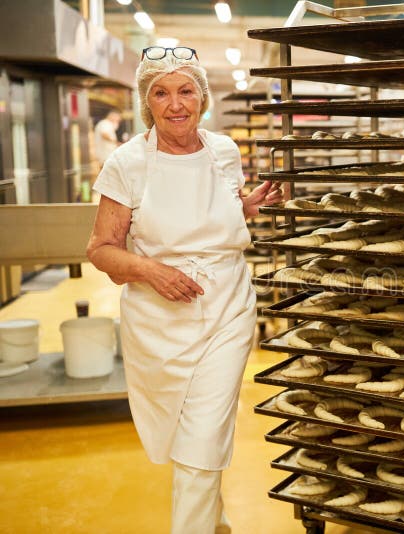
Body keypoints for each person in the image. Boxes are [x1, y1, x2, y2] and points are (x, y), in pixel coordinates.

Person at [86, 45, 283, 534]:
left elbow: (219, 215)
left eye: (186, 90)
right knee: (185, 434)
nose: (176, 104)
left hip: (226, 310)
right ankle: (216, 525)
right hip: (158, 323)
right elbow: (101, 249)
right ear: (145, 102)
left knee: (202, 437)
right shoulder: (126, 163)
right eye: (161, 93)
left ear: (203, 97)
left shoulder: (224, 151)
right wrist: (152, 271)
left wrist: (248, 208)